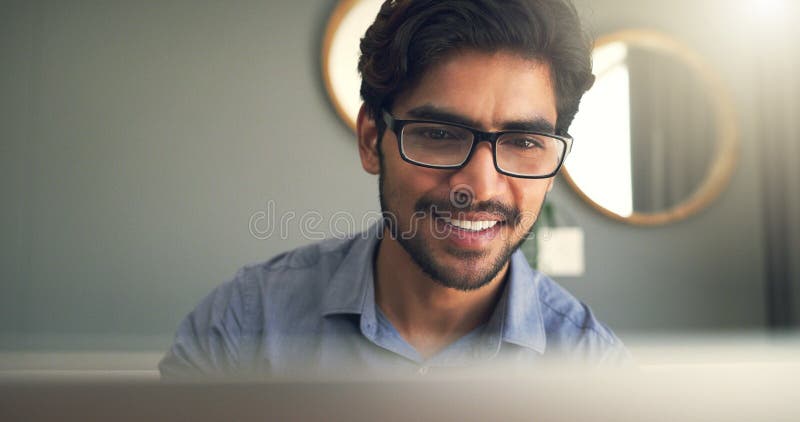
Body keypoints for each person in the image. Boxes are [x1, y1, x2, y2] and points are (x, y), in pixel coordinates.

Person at [159, 0, 629, 379]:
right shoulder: (244, 326)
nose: (480, 187)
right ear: (370, 140)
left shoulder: (596, 370)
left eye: (524, 142)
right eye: (440, 135)